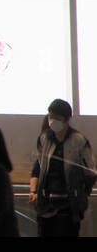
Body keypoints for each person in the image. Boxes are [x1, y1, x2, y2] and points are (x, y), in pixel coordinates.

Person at [29, 99, 95, 237]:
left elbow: (90, 172)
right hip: (46, 204)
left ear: (67, 119)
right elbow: (40, 166)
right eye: (50, 117)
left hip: (69, 205)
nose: (52, 121)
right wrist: (35, 191)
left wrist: (81, 193)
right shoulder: (44, 138)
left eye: (57, 118)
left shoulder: (78, 140)